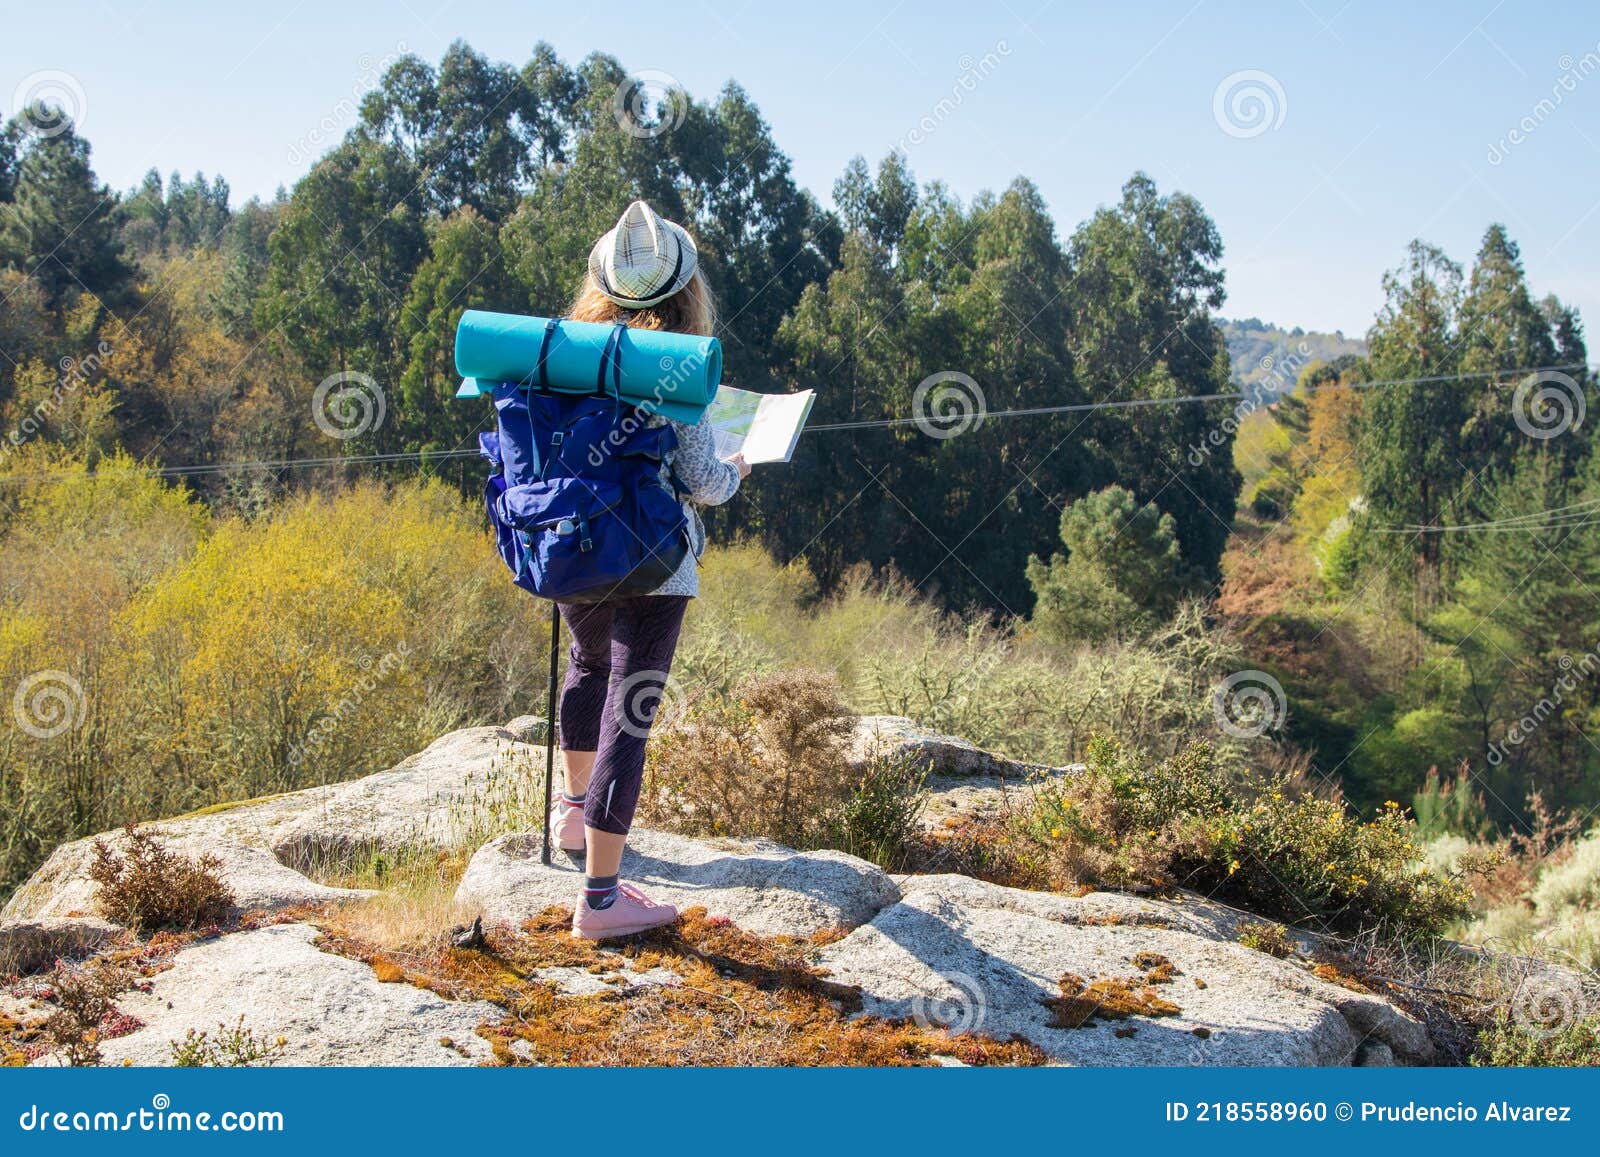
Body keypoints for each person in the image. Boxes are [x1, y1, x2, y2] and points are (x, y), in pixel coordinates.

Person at [547, 200, 750, 939]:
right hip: (655, 565)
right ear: (685, 291)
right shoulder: (680, 369)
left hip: (573, 551)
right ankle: (601, 901)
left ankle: (574, 821)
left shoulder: (565, 357)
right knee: (629, 712)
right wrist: (739, 466)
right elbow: (703, 479)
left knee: (586, 667)